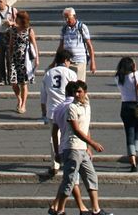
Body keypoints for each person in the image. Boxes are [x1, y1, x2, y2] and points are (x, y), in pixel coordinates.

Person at [50, 80, 113, 215]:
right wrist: (93, 143)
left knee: (91, 177)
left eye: (79, 92)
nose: (77, 94)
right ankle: (60, 210)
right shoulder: (71, 107)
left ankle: (96, 209)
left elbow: (85, 127)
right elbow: (76, 130)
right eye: (75, 92)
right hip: (72, 147)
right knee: (70, 181)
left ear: (85, 93)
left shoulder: (86, 105)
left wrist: (88, 147)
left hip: (82, 148)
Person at [49, 82, 88, 215]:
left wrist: (56, 150)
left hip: (63, 146)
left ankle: (56, 206)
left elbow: (54, 132)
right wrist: (89, 145)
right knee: (71, 179)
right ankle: (65, 208)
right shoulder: (74, 107)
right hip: (74, 145)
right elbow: (82, 128)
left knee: (69, 178)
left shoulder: (59, 107)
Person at [41, 48, 78, 177]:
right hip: (67, 108)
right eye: (69, 61)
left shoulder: (48, 74)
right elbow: (75, 92)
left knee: (54, 137)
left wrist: (43, 112)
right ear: (66, 60)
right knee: (68, 135)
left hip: (52, 110)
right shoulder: (71, 74)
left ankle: (55, 163)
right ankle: (69, 160)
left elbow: (43, 95)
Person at [115, 56, 138, 171]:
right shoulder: (136, 75)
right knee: (137, 131)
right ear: (132, 65)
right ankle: (134, 153)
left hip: (125, 106)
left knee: (129, 132)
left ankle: (133, 160)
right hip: (137, 105)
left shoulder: (117, 77)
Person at [7, 10, 39, 114]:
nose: (16, 19)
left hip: (25, 60)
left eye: (18, 17)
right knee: (13, 82)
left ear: (22, 19)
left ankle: (23, 104)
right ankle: (19, 99)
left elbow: (34, 45)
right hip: (14, 59)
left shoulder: (29, 30)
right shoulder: (13, 30)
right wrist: (9, 57)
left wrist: (37, 59)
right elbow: (11, 44)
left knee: (23, 83)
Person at [58, 7, 97, 80]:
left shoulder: (82, 27)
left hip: (79, 61)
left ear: (74, 16)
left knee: (79, 84)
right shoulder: (64, 29)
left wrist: (93, 62)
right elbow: (61, 46)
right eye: (65, 18)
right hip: (67, 62)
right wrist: (56, 61)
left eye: (68, 18)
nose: (67, 20)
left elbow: (89, 45)